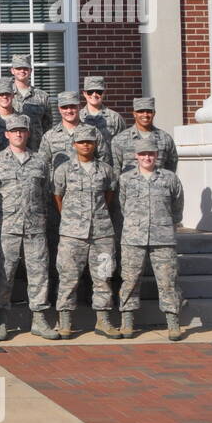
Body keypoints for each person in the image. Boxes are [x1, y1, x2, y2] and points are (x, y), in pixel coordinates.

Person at [0, 114, 59, 340]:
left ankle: (39, 318)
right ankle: (1, 317)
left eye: (22, 130)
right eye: (14, 130)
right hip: (6, 227)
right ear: (7, 134)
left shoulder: (40, 161)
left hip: (35, 228)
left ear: (28, 133)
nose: (18, 134)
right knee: (4, 274)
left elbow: (47, 195)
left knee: (39, 273)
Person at [52, 126, 121, 339]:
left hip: (101, 234)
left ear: (95, 144)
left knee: (103, 276)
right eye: (81, 142)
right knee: (68, 277)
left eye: (89, 142)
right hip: (72, 235)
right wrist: (73, 220)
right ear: (74, 145)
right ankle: (65, 322)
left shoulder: (106, 170)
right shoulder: (63, 170)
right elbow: (58, 197)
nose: (85, 145)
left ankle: (103, 320)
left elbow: (108, 196)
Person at [117, 135, 185, 340]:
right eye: (143, 154)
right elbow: (122, 206)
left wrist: (166, 223)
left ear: (157, 155)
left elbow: (177, 207)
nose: (147, 157)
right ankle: (127, 320)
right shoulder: (126, 179)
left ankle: (173, 322)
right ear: (136, 156)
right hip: (133, 238)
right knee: (129, 280)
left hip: (162, 237)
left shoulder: (169, 178)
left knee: (168, 281)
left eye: (151, 154)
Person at [40, 91, 109, 175]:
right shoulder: (49, 136)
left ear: (79, 107)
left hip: (87, 185)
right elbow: (43, 165)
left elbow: (104, 161)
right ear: (59, 109)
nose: (69, 110)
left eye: (72, 106)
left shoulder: (93, 132)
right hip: (59, 186)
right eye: (64, 107)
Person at [112, 96, 178, 175]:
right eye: (141, 111)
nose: (145, 115)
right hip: (130, 186)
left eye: (149, 111)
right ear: (134, 114)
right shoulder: (120, 139)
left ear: (154, 113)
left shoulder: (165, 138)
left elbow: (171, 168)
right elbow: (116, 170)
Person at [0, 77, 41, 151]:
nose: (4, 97)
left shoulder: (24, 121)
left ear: (13, 95)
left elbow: (33, 147)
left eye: (7, 94)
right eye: (1, 94)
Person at [5, 53, 52, 134]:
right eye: (18, 68)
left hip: (36, 145)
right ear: (12, 71)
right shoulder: (4, 95)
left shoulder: (42, 96)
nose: (22, 71)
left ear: (31, 71)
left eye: (25, 68)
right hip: (11, 143)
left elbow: (47, 126)